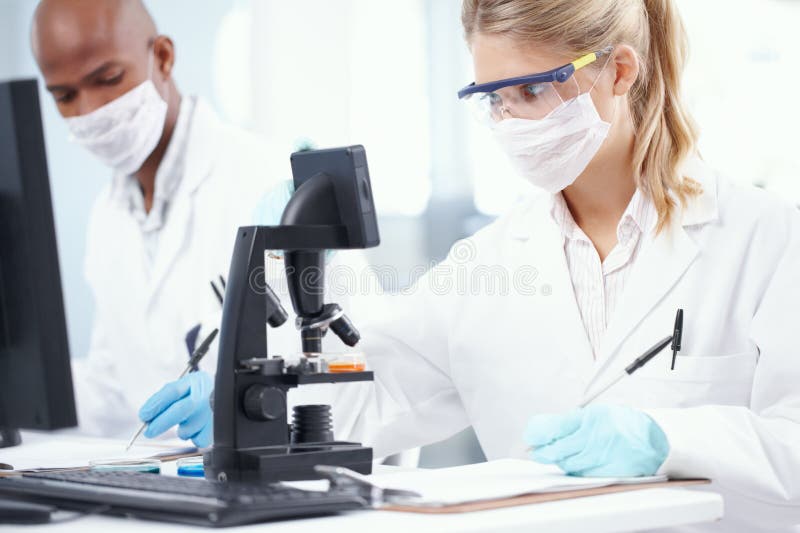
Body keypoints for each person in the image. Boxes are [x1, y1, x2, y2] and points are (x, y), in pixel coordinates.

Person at [256, 0, 799, 530]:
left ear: (618, 71)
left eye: (532, 89)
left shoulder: (767, 239)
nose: (510, 118)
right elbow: (354, 410)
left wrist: (667, 439)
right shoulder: (484, 266)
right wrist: (288, 278)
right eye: (492, 99)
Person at [30, 0, 368, 447]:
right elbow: (114, 392)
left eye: (107, 79)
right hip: (171, 486)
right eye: (64, 96)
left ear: (164, 57)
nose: (89, 110)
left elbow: (354, 364)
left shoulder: (272, 184)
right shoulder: (107, 214)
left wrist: (237, 415)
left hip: (282, 487)